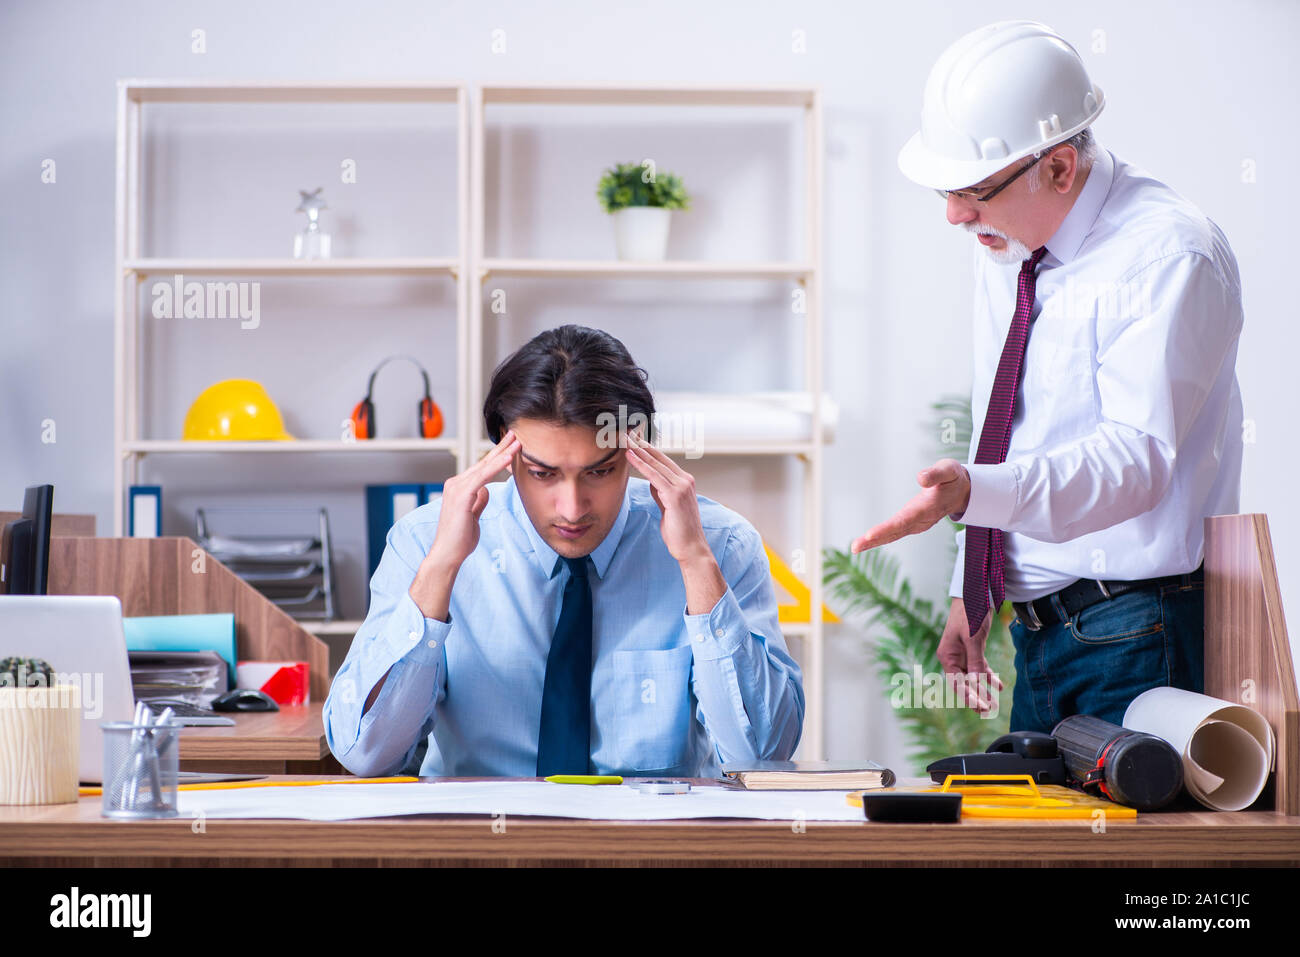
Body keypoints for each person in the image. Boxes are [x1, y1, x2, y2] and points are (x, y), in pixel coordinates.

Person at [852, 20, 1243, 734]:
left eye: (972, 189)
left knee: (1134, 848)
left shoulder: (1167, 256)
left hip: (1137, 634)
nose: (953, 214)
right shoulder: (1007, 246)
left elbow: (1136, 459)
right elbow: (1006, 424)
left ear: (1059, 168)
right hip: (1038, 635)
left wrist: (974, 496)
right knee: (1035, 845)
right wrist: (969, 590)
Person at [324, 324, 804, 777]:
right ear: (503, 456)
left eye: (600, 471)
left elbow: (761, 758)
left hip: (648, 847)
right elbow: (363, 753)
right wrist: (441, 569)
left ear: (638, 453)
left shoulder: (721, 544)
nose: (572, 508)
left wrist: (696, 564)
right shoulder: (424, 541)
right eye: (543, 473)